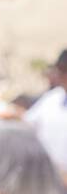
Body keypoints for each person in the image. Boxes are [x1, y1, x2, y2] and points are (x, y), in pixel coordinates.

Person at [24, 50, 67, 178]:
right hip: (50, 183)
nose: (61, 75)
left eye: (63, 70)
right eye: (60, 70)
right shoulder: (52, 99)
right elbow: (27, 123)